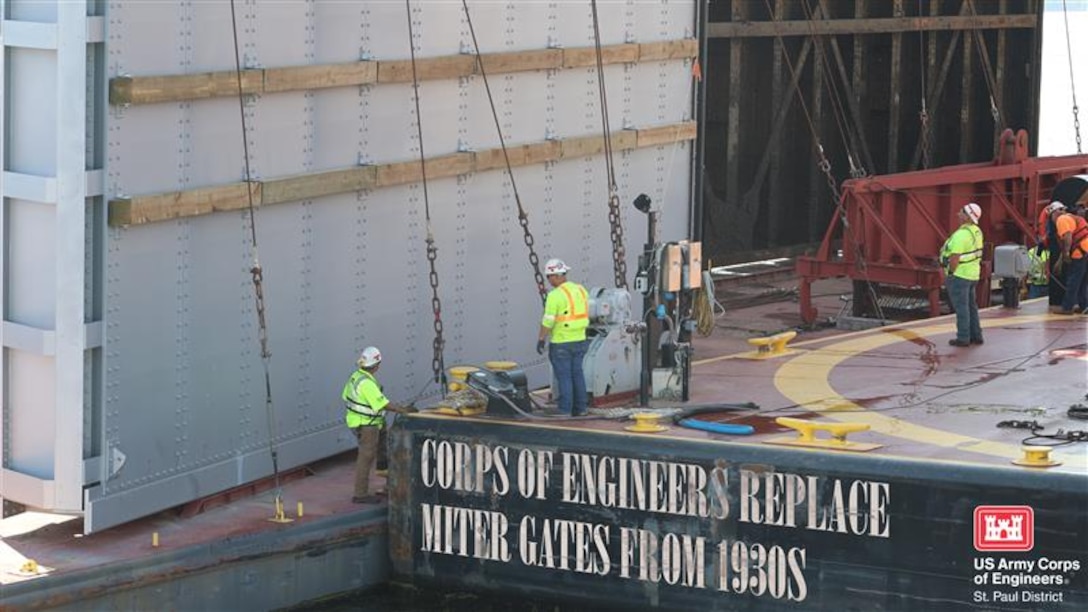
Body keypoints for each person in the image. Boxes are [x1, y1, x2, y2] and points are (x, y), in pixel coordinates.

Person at [341, 346, 409, 504]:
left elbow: (345, 395)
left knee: (381, 451)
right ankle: (360, 494)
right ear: (377, 365)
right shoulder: (367, 384)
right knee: (366, 457)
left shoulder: (356, 376)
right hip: (367, 425)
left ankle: (385, 476)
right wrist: (403, 410)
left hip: (362, 422)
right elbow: (382, 404)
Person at [537, 258, 590, 416]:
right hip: (580, 340)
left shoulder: (555, 295)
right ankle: (581, 408)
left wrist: (541, 339)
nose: (548, 280)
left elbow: (548, 321)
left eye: (549, 277)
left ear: (555, 276)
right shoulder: (581, 290)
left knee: (564, 376)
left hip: (562, 342)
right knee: (577, 374)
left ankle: (565, 410)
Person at [940, 203, 984, 347]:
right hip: (973, 275)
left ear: (967, 217)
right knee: (972, 306)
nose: (958, 214)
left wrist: (951, 273)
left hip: (960, 276)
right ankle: (976, 335)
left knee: (961, 308)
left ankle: (963, 337)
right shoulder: (977, 232)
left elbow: (955, 258)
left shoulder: (961, 235)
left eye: (961, 212)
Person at [1053, 204, 1088, 314]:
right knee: (1082, 281)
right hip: (1086, 251)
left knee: (1073, 280)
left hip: (1080, 252)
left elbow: (1067, 237)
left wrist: (1067, 253)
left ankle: (1067, 307)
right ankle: (1084, 306)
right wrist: (1061, 260)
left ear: (1055, 213)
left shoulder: (1062, 219)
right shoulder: (1073, 218)